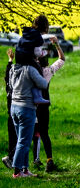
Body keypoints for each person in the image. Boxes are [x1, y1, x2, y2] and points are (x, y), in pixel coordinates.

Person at [8, 38, 64, 177]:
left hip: (19, 105)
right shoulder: (41, 70)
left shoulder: (19, 69)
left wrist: (11, 60)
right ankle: (21, 168)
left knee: (27, 137)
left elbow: (10, 83)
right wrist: (57, 44)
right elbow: (61, 60)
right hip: (33, 106)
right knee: (35, 136)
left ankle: (26, 166)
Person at [29, 40, 67, 171]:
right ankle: (49, 160)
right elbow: (62, 58)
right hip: (44, 105)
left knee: (32, 134)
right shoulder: (48, 71)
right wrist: (57, 44)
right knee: (44, 133)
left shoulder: (30, 72)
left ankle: (32, 161)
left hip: (31, 105)